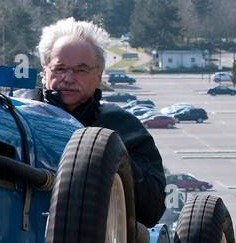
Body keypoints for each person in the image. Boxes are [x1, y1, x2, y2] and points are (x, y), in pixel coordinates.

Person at [37, 17, 166, 226]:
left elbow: (152, 209)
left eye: (80, 70)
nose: (68, 78)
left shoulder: (122, 126)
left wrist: (108, 155)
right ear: (45, 72)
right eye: (60, 68)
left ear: (98, 76)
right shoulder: (16, 114)